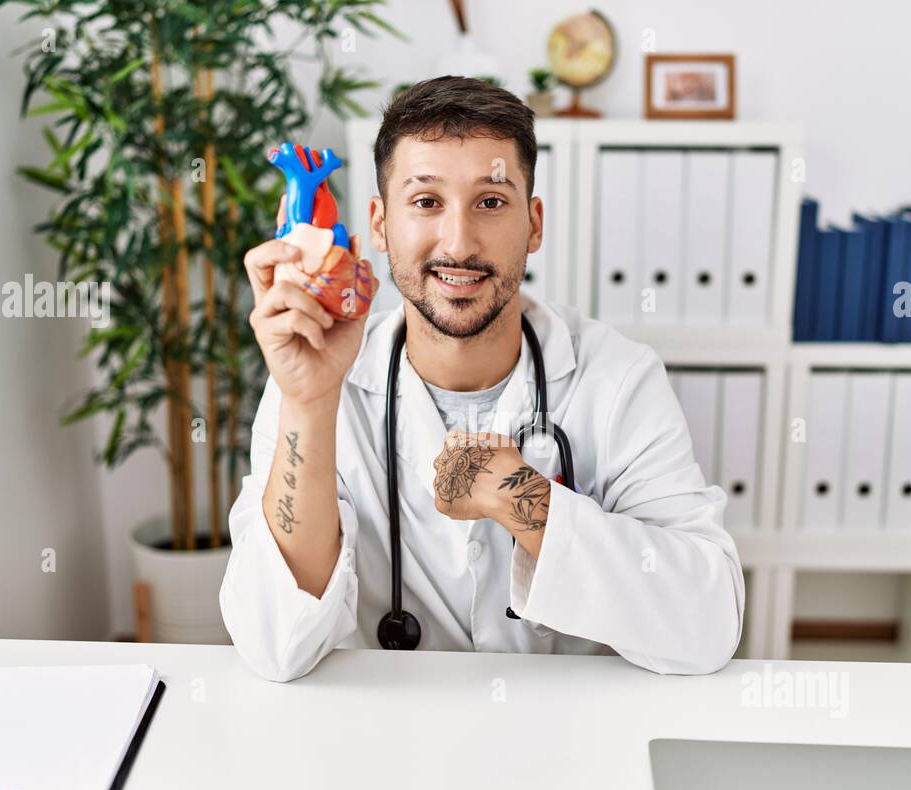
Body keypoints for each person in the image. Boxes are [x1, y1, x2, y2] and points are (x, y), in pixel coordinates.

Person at [220, 75, 744, 681]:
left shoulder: (618, 379)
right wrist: (310, 402)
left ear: (534, 223)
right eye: (426, 201)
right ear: (381, 225)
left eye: (491, 201)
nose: (459, 242)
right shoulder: (311, 380)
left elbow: (706, 625)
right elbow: (274, 645)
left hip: (574, 744)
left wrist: (525, 500)